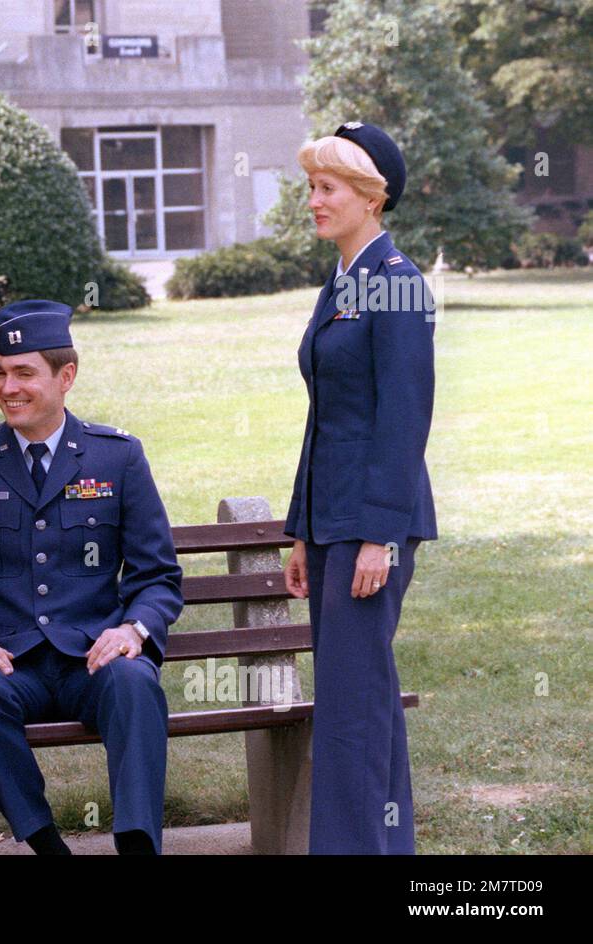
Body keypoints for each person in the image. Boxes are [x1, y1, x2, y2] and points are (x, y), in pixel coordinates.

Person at [0, 300, 183, 855]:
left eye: (23, 373)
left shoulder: (117, 457)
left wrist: (134, 630)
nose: (7, 386)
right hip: (11, 664)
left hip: (93, 658)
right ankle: (45, 843)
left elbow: (157, 575)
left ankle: (137, 845)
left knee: (136, 683)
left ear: (66, 377)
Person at [282, 122, 437, 855]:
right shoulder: (341, 283)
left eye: (327, 188)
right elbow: (328, 415)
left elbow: (404, 418)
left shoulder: (398, 283)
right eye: (311, 187)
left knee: (349, 705)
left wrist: (380, 533)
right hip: (332, 521)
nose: (312, 200)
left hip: (373, 524)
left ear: (370, 198)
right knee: (366, 696)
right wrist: (300, 527)